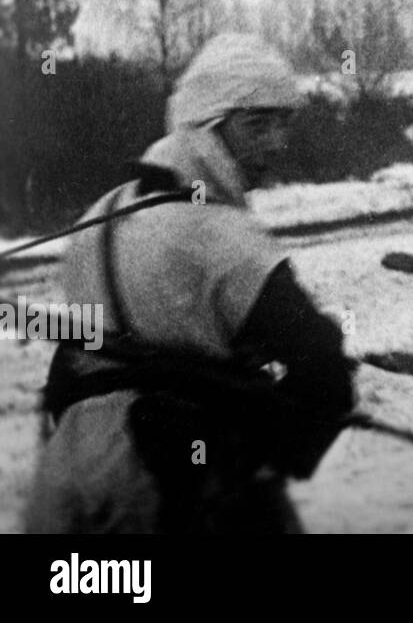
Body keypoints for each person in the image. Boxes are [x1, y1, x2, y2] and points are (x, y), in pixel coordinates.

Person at [25, 34, 355, 534]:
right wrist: (269, 449)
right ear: (207, 126)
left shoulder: (99, 215)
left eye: (281, 124)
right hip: (181, 487)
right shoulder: (226, 237)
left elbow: (76, 354)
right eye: (256, 124)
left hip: (73, 477)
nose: (275, 143)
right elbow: (323, 364)